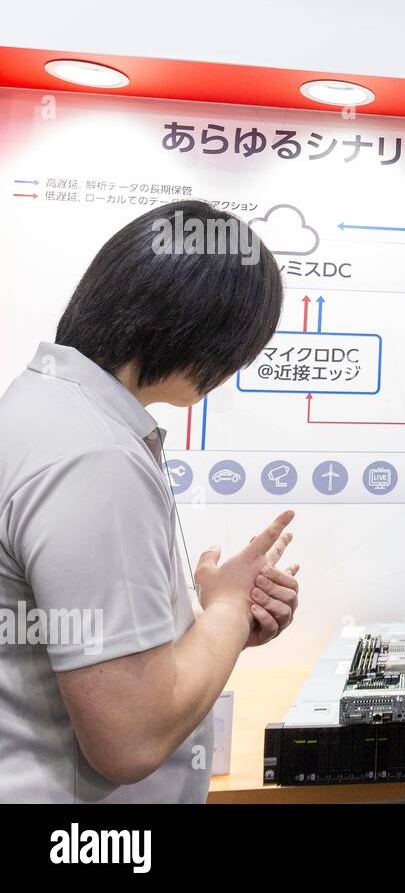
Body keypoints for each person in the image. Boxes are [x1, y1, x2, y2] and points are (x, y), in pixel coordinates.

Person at [0, 200, 301, 802]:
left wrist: (206, 621)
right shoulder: (95, 455)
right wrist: (227, 611)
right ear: (203, 330)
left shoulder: (44, 409)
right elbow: (130, 737)